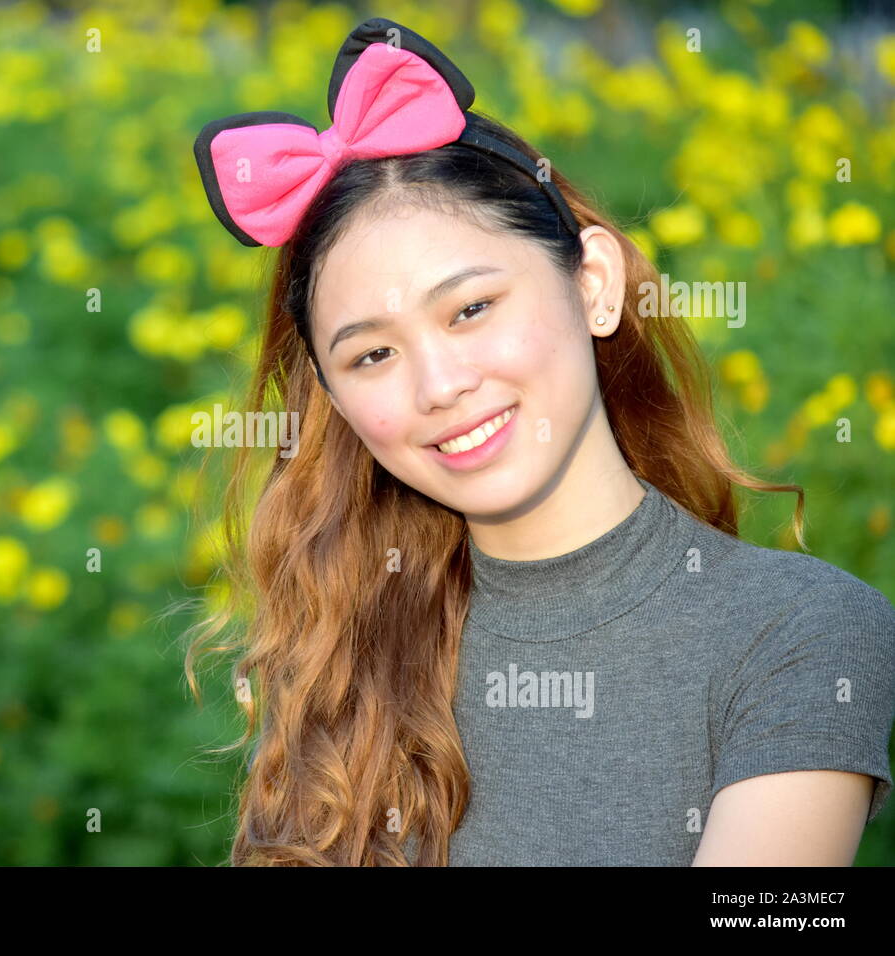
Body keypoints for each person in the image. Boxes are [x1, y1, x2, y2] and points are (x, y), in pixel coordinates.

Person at [182, 17, 895, 866]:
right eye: (372, 354)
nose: (439, 385)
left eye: (472, 309)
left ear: (594, 285)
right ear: (337, 402)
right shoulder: (341, 664)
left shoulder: (797, 630)